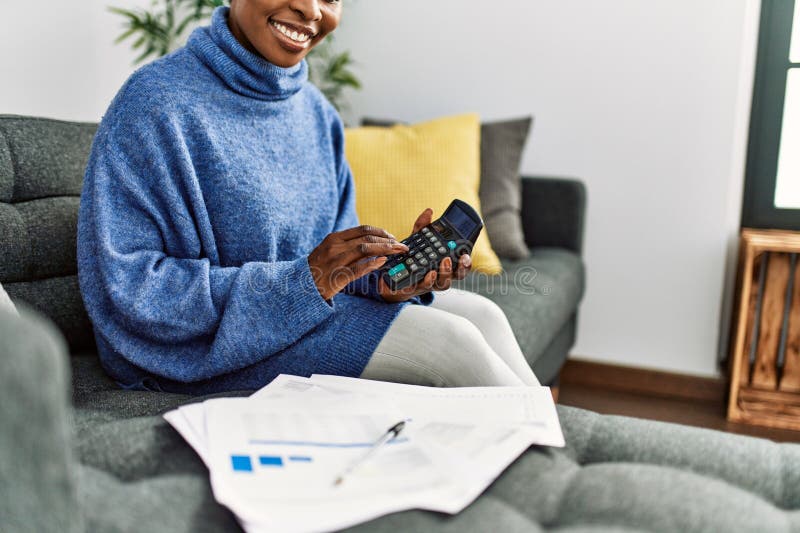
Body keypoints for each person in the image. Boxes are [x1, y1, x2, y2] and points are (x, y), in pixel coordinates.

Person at [77, 0, 540, 395]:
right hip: (193, 353)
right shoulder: (153, 103)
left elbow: (333, 270)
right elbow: (131, 289)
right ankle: (554, 465)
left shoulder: (318, 114)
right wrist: (305, 282)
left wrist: (382, 281)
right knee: (454, 345)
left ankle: (558, 455)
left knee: (486, 315)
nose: (312, 10)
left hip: (302, 315)